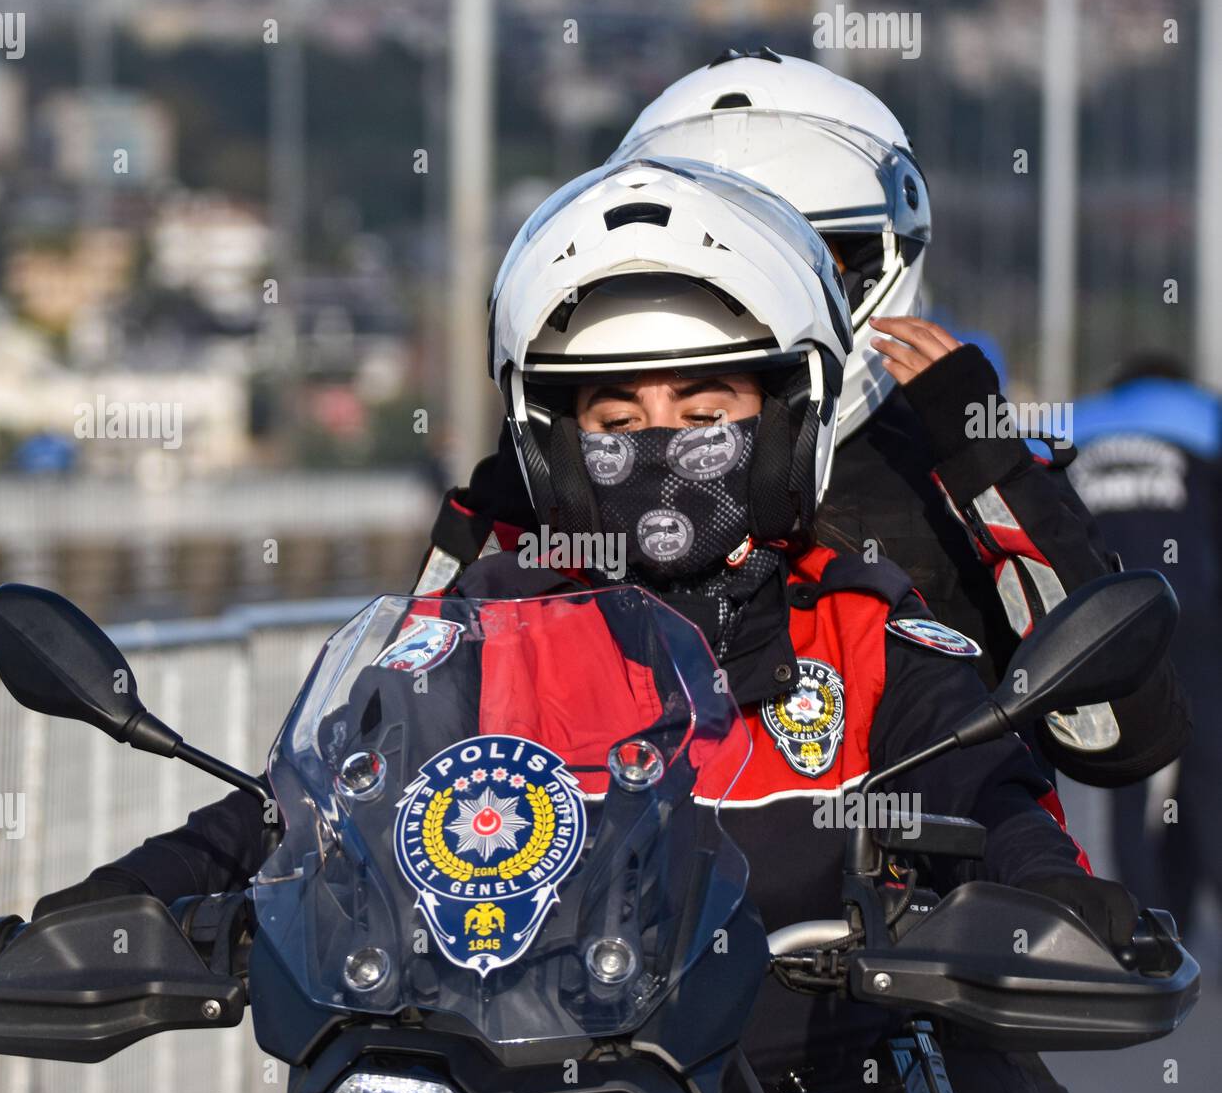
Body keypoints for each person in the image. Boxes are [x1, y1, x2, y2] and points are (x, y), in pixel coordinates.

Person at [35, 159, 1136, 1093]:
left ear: (784, 423)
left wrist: (1048, 901)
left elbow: (992, 801)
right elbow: (299, 812)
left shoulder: (872, 641)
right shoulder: (467, 643)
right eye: (616, 420)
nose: (659, 449)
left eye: (706, 414)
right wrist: (121, 905)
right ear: (557, 445)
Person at [413, 48, 1188, 791]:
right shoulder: (567, 470)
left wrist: (986, 454)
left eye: (804, 255)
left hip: (929, 901)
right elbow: (406, 716)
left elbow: (1118, 734)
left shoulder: (961, 467)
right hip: (636, 898)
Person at [1070, 353, 1222, 936]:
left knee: (1127, 769)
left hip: (1114, 620)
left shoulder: (1082, 427)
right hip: (1196, 614)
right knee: (1206, 771)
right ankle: (1188, 905)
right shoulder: (1201, 424)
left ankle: (1148, 921)